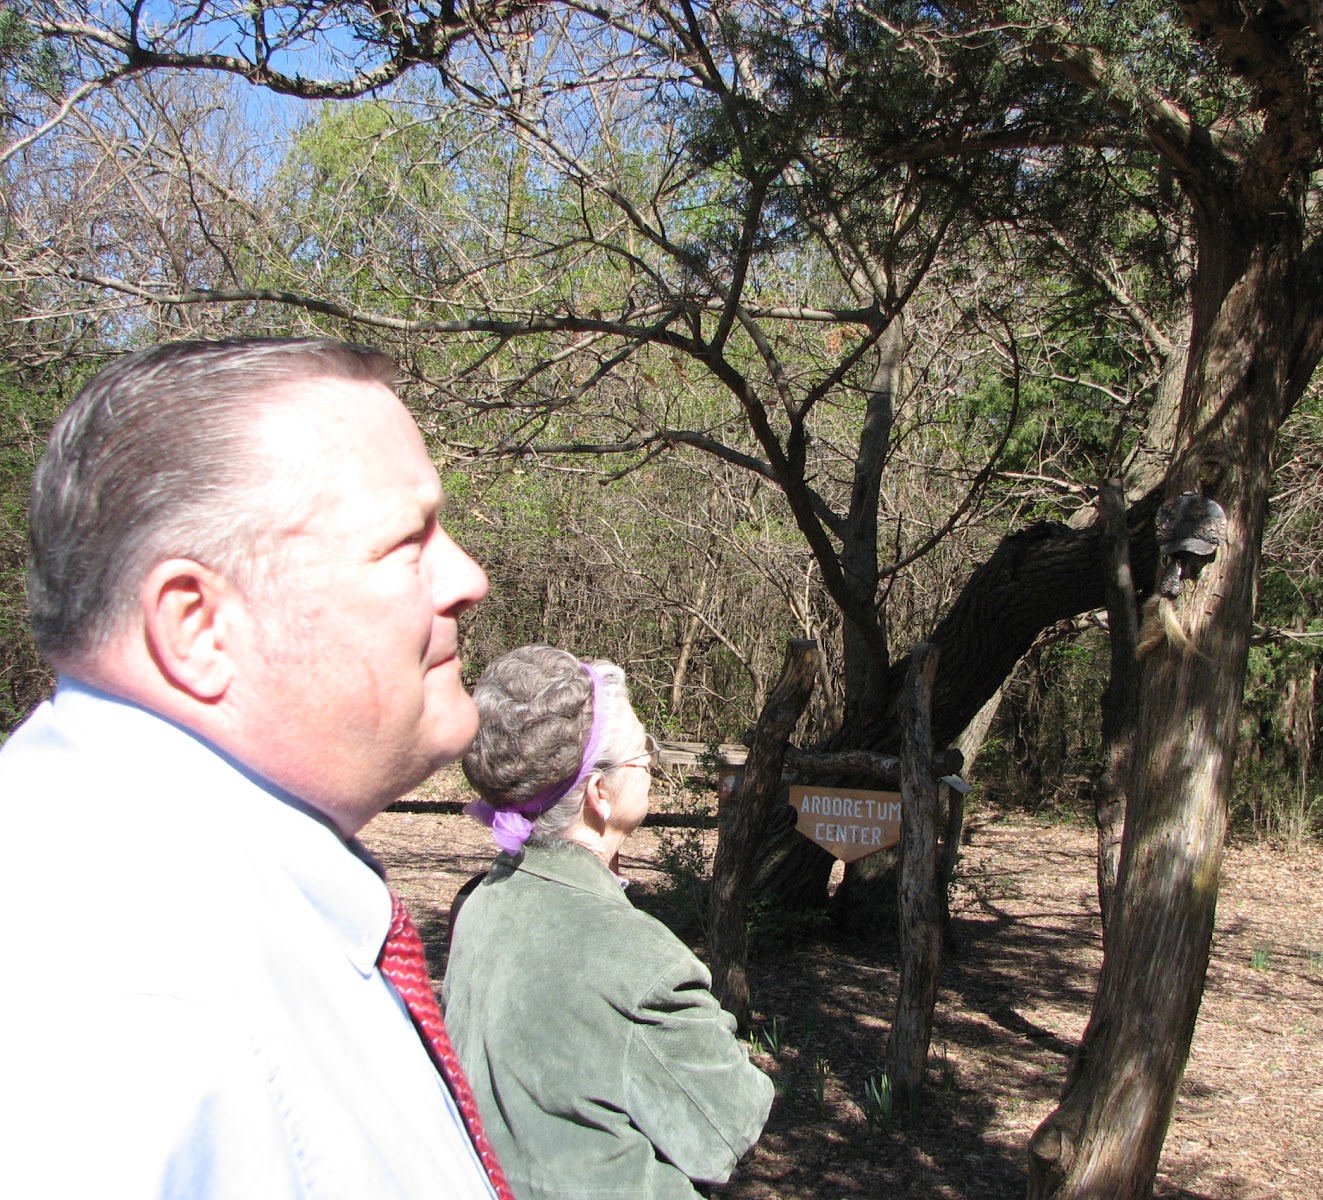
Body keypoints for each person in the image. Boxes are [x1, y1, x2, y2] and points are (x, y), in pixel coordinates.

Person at [0, 339, 510, 1198]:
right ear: (197, 626)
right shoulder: (108, 1023)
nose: (469, 577)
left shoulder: (198, 903)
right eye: (406, 541)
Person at [444, 645, 774, 1200]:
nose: (651, 764)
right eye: (644, 753)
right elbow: (727, 1128)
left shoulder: (480, 901)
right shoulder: (641, 960)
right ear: (601, 793)